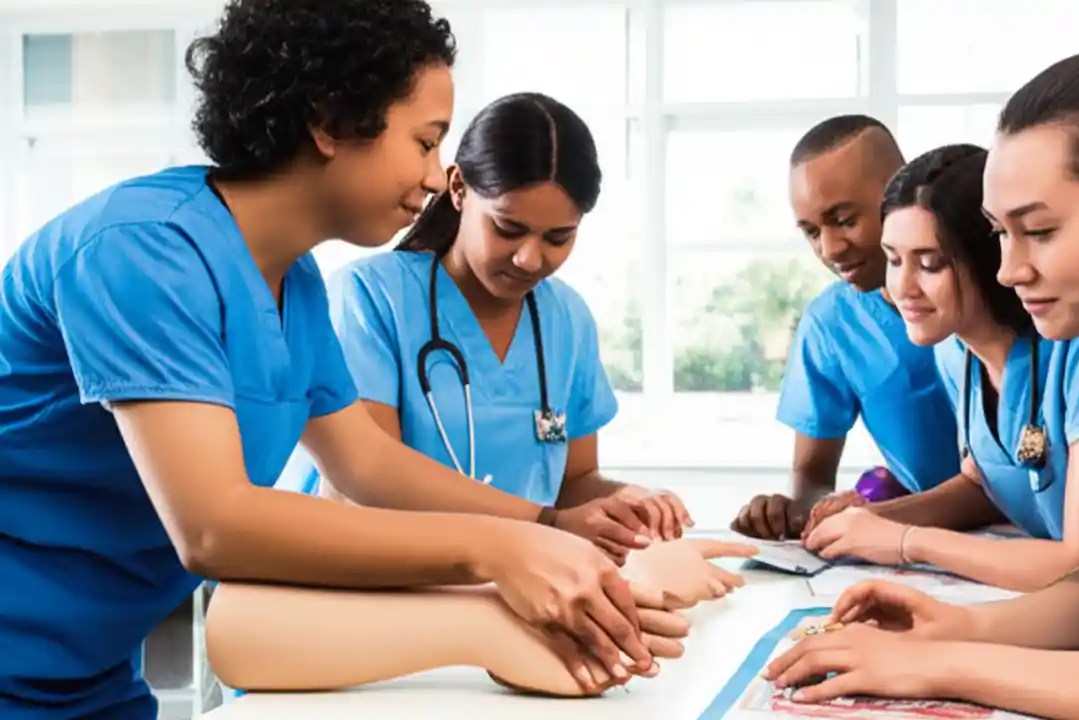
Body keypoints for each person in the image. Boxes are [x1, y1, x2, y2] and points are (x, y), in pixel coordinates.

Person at [0, 2, 657, 716]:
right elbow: (214, 527)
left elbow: (366, 464)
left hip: (90, 672)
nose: (435, 177)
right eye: (425, 141)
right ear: (331, 121)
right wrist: (494, 550)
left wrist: (546, 526)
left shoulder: (296, 284)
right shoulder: (141, 249)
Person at [763, 48, 1079, 718]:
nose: (1008, 271)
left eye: (1039, 230)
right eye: (1000, 234)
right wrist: (955, 628)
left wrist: (937, 665)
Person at [293, 92, 692, 561]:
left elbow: (574, 483)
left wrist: (626, 501)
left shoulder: (566, 318)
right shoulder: (370, 296)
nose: (530, 259)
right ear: (458, 188)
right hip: (385, 577)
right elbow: (368, 480)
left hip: (514, 576)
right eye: (508, 229)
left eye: (558, 238)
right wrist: (542, 524)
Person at [802, 144, 1079, 591]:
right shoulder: (954, 354)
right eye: (893, 260)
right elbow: (985, 482)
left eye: (930, 264)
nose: (902, 288)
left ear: (988, 259)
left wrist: (907, 541)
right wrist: (871, 519)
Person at [732, 116, 960, 540]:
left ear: (899, 194)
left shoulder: (996, 298)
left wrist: (882, 514)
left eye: (843, 220)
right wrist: (790, 513)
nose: (830, 249)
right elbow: (811, 483)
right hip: (920, 540)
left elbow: (998, 483)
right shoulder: (832, 323)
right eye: (810, 232)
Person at [202, 538, 759, 697]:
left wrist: (615, 578)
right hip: (312, 606)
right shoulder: (364, 307)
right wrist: (492, 621)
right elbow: (214, 541)